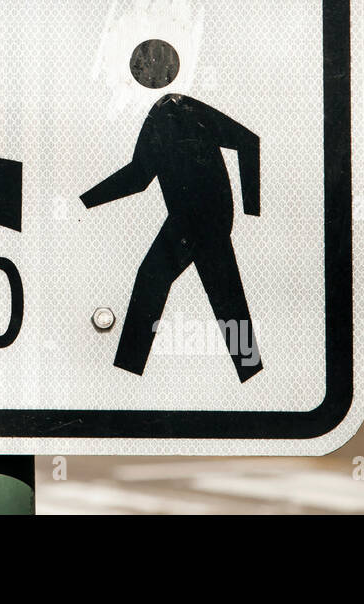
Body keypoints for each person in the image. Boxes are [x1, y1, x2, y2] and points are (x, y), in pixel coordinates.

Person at [81, 39, 264, 382]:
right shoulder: (158, 116)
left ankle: (127, 372)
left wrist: (251, 209)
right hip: (192, 216)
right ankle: (249, 370)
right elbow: (138, 176)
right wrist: (86, 201)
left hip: (203, 217)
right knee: (221, 293)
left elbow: (248, 141)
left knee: (167, 282)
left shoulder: (181, 109)